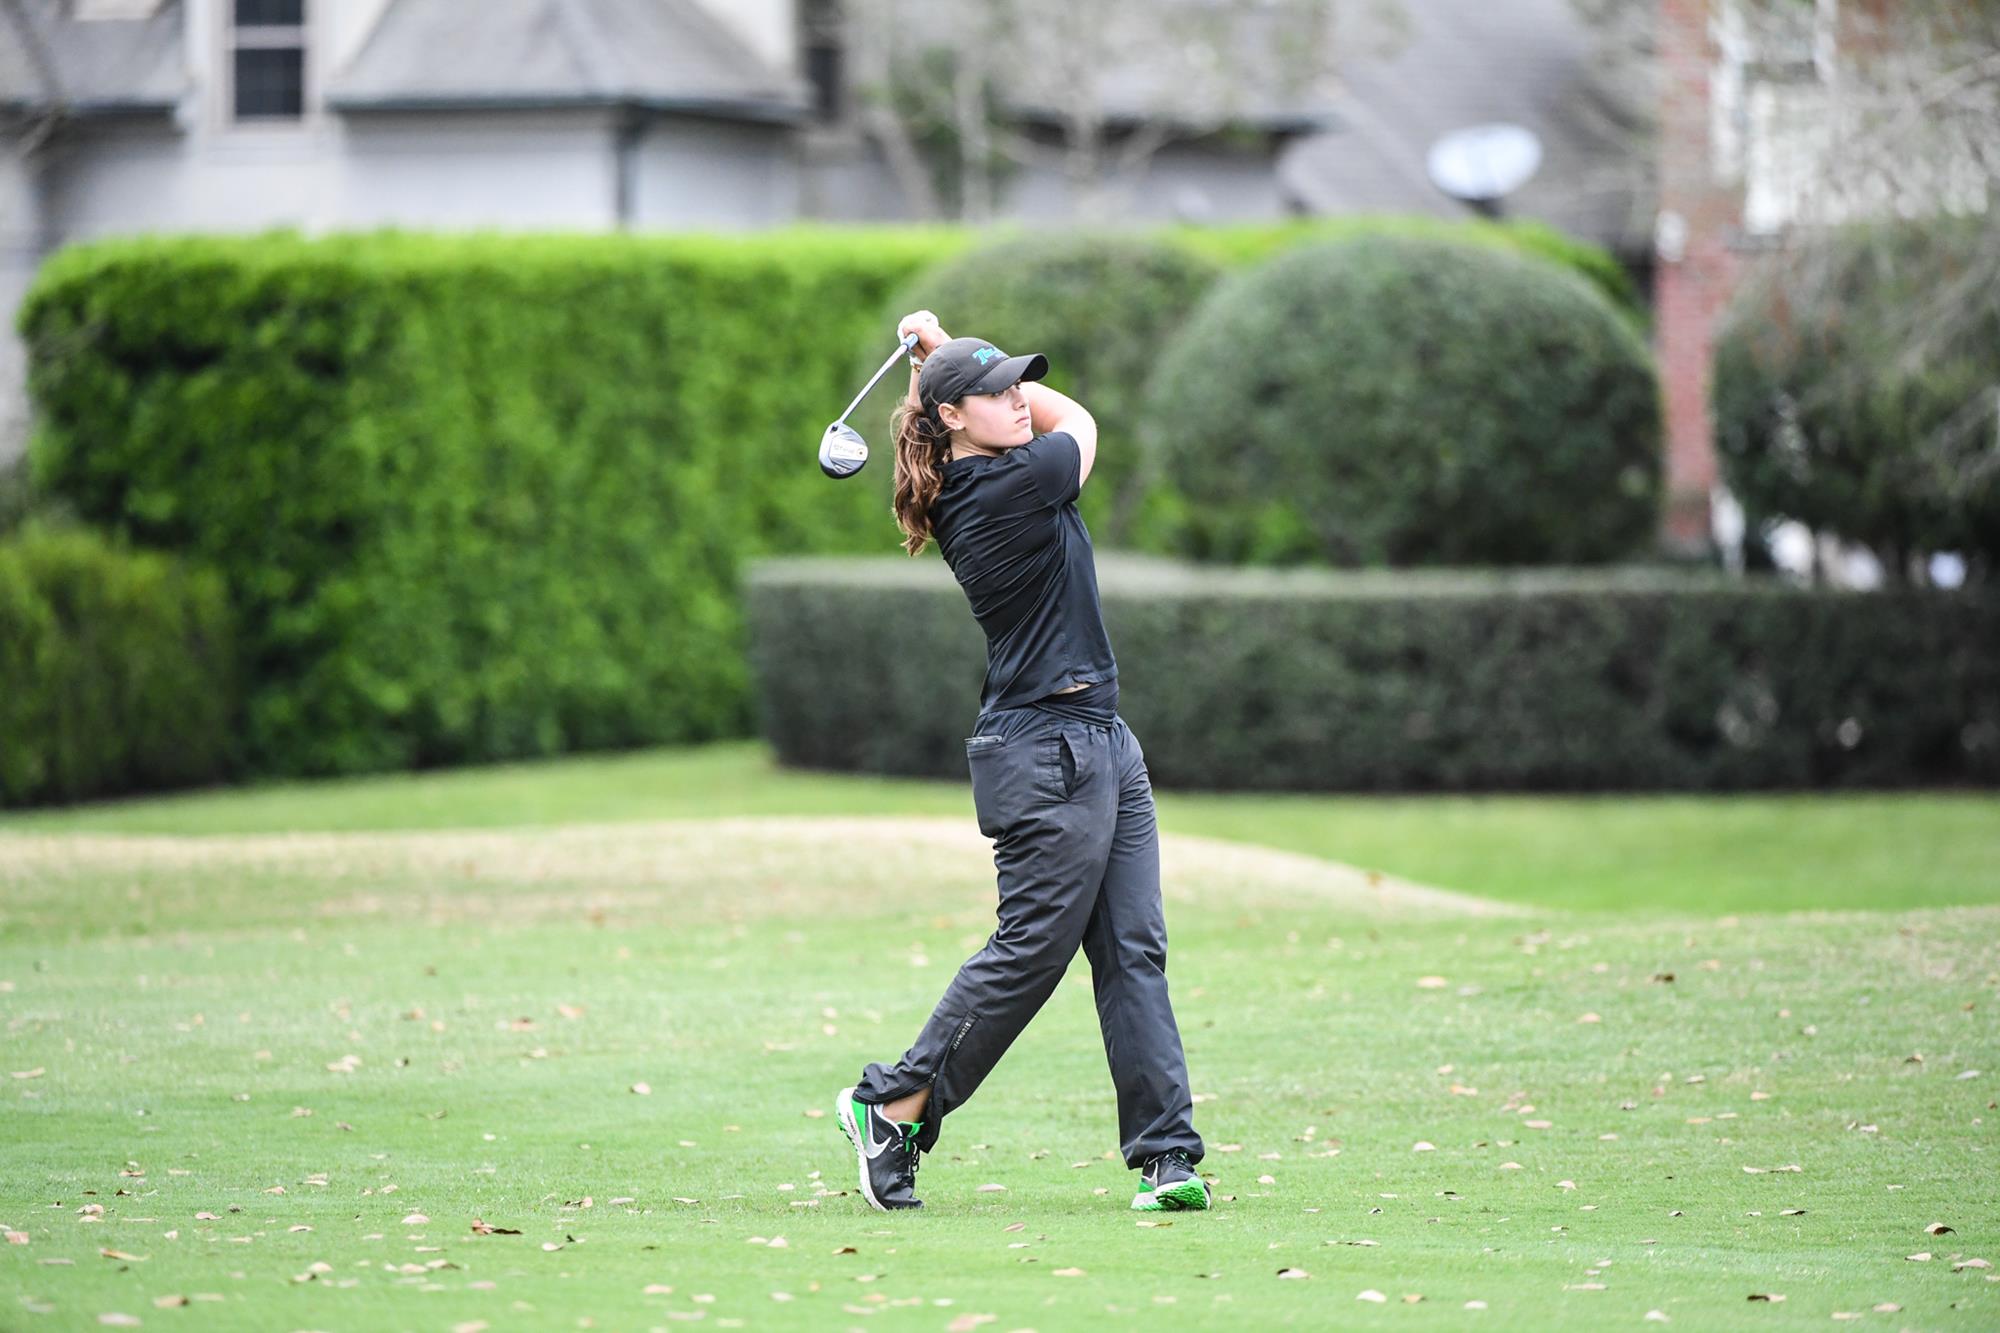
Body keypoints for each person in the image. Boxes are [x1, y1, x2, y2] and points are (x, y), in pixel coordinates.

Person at [833, 310, 1208, 1213]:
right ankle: (894, 1103)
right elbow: (1078, 419)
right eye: (996, 393)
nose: (1017, 401)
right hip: (1045, 751)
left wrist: (945, 364)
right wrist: (945, 354)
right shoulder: (1007, 485)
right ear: (952, 418)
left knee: (1132, 947)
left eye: (1016, 387)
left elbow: (1014, 414)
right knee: (1032, 950)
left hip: (1102, 739)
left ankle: (1167, 1157)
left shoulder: (987, 472)